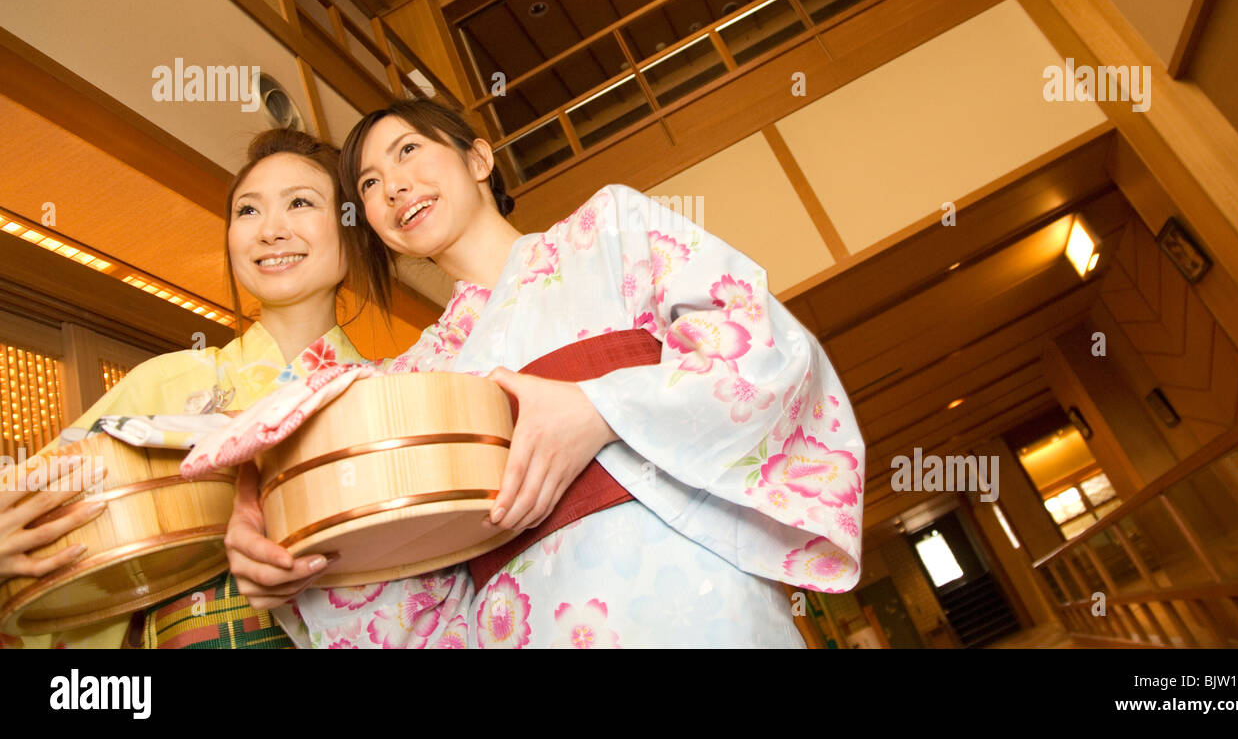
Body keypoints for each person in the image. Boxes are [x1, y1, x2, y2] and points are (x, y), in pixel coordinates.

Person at [272, 99, 865, 648]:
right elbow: (404, 566)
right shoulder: (418, 377)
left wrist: (601, 408)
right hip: (524, 623)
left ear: (479, 158)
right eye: (369, 184)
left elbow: (757, 346)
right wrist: (288, 568)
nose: (393, 186)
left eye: (407, 151)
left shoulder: (607, 231)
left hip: (690, 595)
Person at [0, 129, 372, 649]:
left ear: (355, 229)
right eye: (247, 211)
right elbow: (36, 502)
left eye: (301, 203)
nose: (270, 230)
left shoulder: (384, 396)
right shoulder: (166, 380)